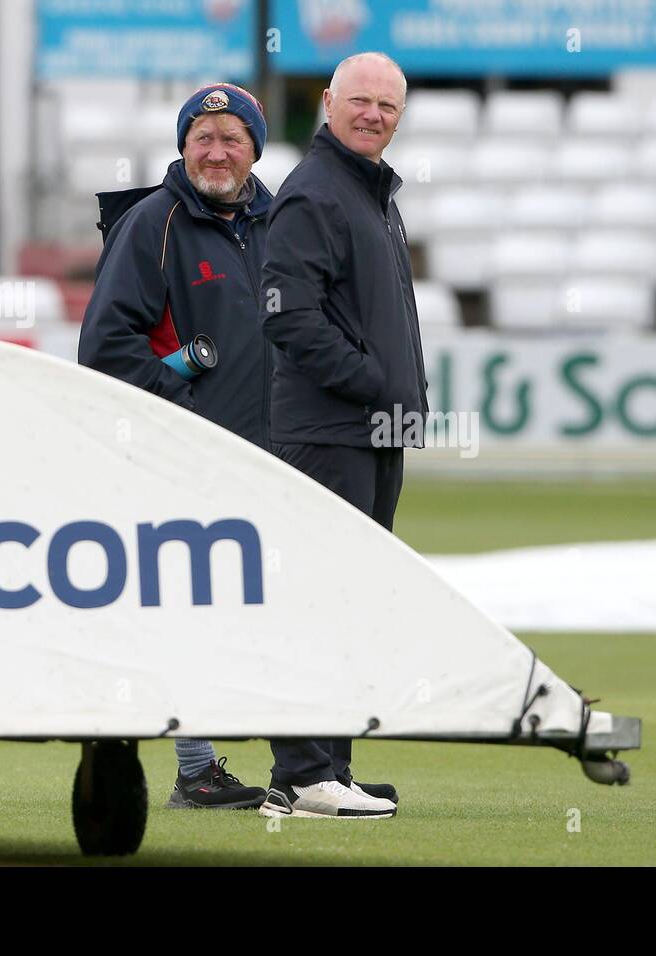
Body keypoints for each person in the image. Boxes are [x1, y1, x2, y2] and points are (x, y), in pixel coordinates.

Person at [78, 82, 274, 811]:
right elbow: (104, 348)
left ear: (254, 148)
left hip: (267, 458)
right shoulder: (151, 223)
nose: (216, 151)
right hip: (177, 457)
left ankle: (306, 766)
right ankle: (195, 769)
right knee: (185, 613)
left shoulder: (278, 219)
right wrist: (183, 407)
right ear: (183, 145)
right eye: (203, 137)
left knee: (246, 611)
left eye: (231, 138)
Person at [255, 51, 427, 820]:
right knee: (317, 603)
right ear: (328, 102)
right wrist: (371, 380)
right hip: (328, 431)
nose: (373, 115)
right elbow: (290, 316)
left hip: (369, 431)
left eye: (387, 106)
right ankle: (301, 773)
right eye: (360, 101)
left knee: (354, 605)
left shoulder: (369, 191)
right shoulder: (315, 191)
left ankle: (334, 766)